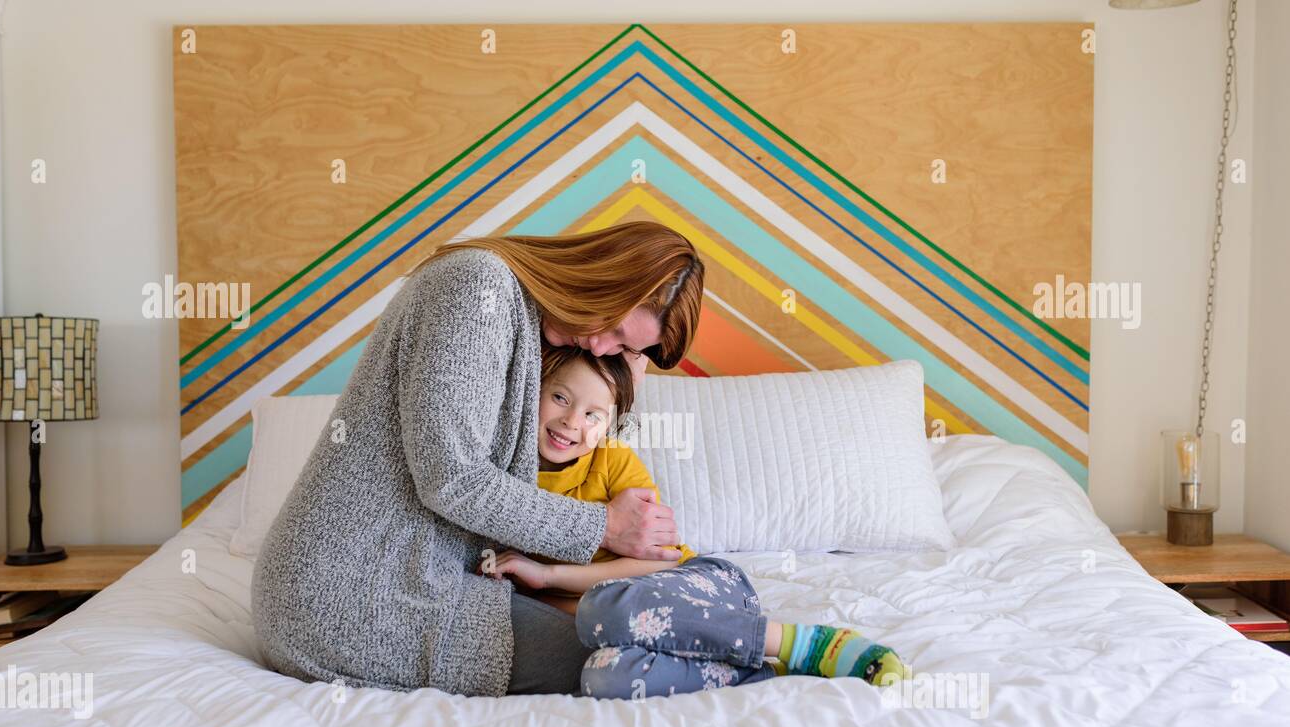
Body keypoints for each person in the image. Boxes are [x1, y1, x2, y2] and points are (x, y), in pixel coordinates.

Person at [251, 223, 703, 697]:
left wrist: (630, 363)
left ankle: (768, 646)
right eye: (609, 326)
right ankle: (771, 660)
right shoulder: (476, 287)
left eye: (623, 346)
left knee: (649, 637)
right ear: (596, 274)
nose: (600, 347)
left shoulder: (534, 326)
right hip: (353, 592)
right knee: (630, 661)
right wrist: (606, 527)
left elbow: (595, 422)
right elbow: (454, 478)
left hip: (420, 578)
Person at [482, 345, 910, 699]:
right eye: (560, 398)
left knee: (601, 607)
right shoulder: (500, 481)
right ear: (531, 389)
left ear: (611, 424)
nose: (572, 421)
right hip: (636, 631)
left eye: (594, 415)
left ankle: (805, 643)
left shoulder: (613, 462)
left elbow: (659, 563)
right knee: (601, 676)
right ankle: (765, 676)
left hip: (703, 589)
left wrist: (548, 574)